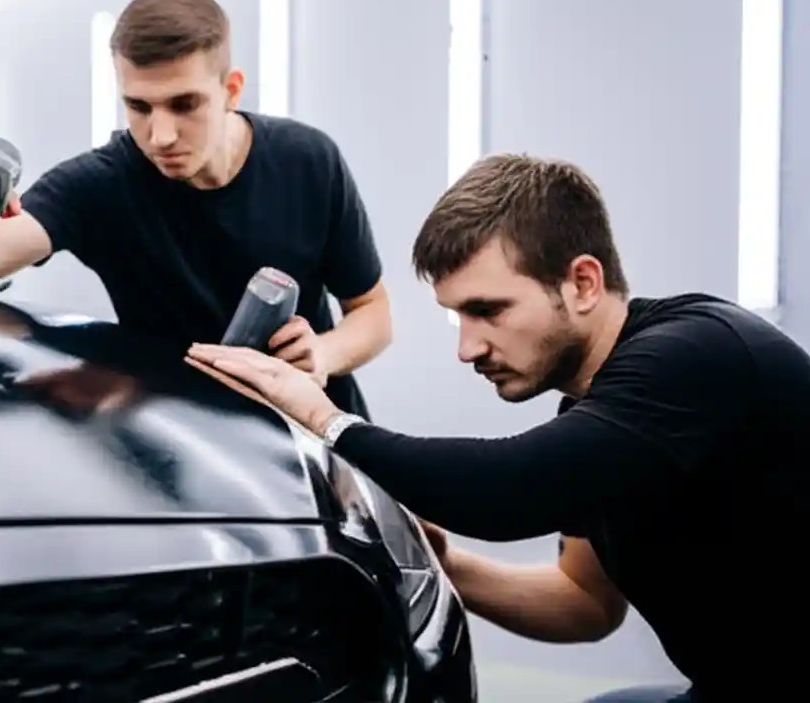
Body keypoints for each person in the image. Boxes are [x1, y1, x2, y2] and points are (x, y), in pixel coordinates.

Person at [187, 152, 809, 702]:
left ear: (583, 283)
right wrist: (448, 564)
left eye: (487, 310)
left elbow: (508, 489)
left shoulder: (697, 354)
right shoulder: (602, 421)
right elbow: (584, 603)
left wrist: (323, 417)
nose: (467, 347)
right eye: (457, 316)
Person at [0, 0, 392, 419]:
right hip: (191, 450)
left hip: (319, 441)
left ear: (230, 90)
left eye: (184, 105)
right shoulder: (103, 184)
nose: (160, 136)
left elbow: (373, 313)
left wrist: (323, 355)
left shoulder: (308, 161)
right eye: (139, 107)